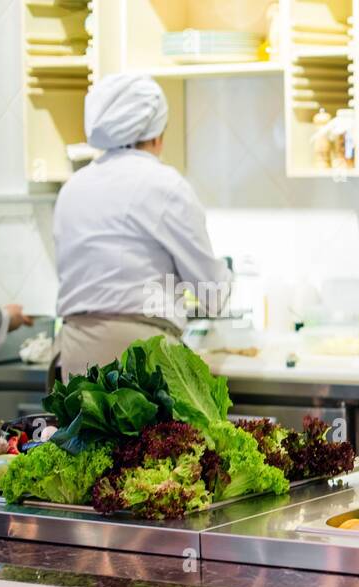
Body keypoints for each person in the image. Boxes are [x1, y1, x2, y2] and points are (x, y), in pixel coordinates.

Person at [52, 73, 232, 380]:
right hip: (141, 357)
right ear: (157, 134)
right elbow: (212, 295)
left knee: (87, 431)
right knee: (153, 432)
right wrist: (227, 278)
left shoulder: (72, 187)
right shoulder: (165, 185)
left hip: (73, 354)